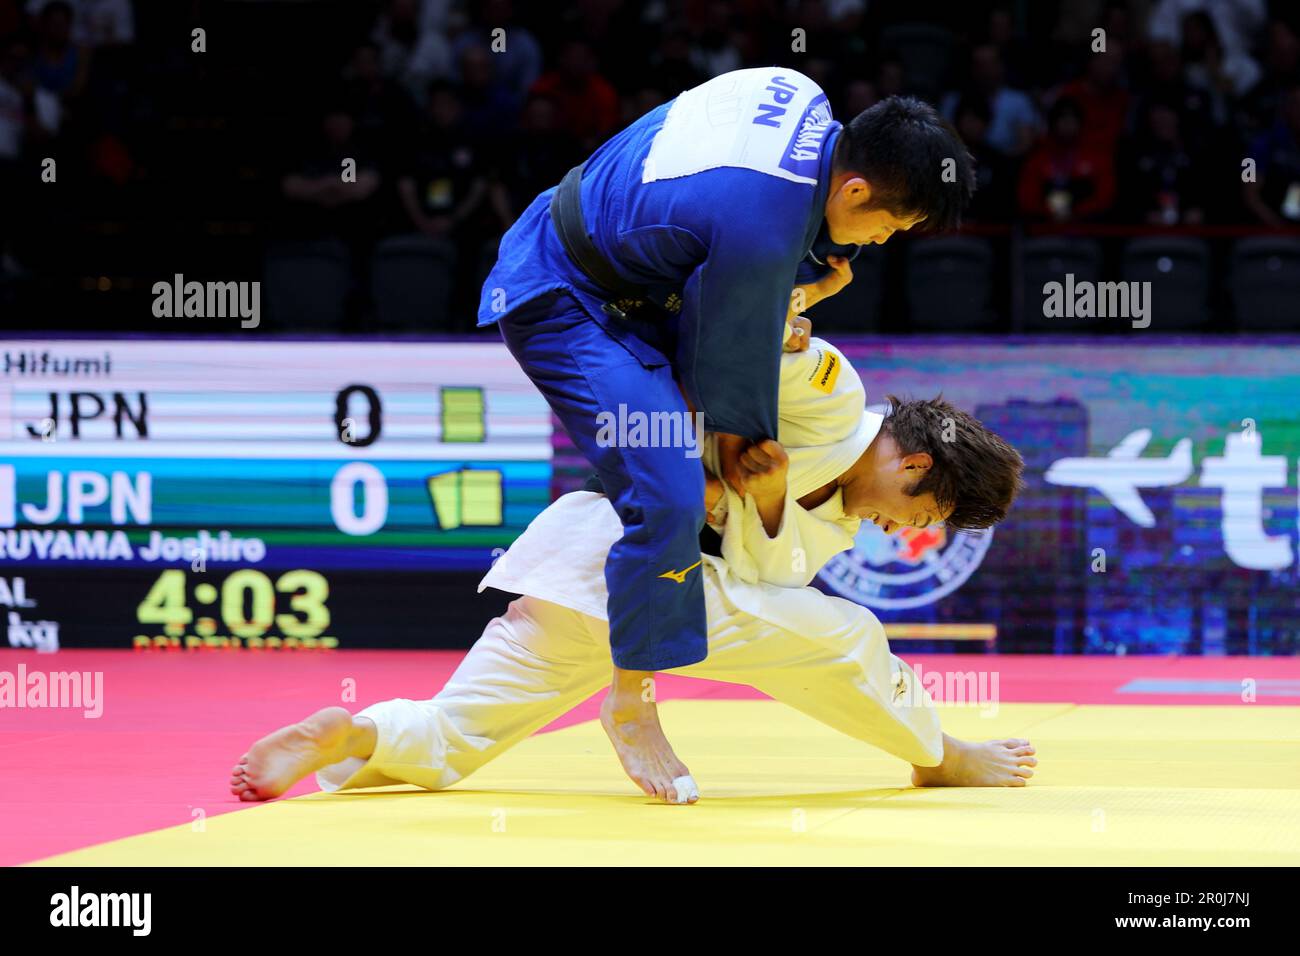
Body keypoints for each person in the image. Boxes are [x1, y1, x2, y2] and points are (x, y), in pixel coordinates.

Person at [231, 336, 1033, 805]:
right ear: (918, 462)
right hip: (621, 558)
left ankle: (349, 732)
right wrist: (782, 323)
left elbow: (763, 586)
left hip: (580, 580)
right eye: (918, 514)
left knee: (455, 740)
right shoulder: (832, 393)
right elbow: (730, 346)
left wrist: (777, 495)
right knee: (852, 634)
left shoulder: (838, 523)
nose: (899, 528)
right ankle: (939, 756)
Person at [477, 66, 975, 802]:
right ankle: (631, 703)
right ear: (856, 190)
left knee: (684, 459)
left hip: (621, 267)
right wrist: (732, 454)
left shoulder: (801, 97)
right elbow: (724, 344)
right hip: (562, 296)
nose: (880, 243)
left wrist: (795, 289)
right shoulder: (764, 229)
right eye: (890, 227)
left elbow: (714, 248)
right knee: (676, 493)